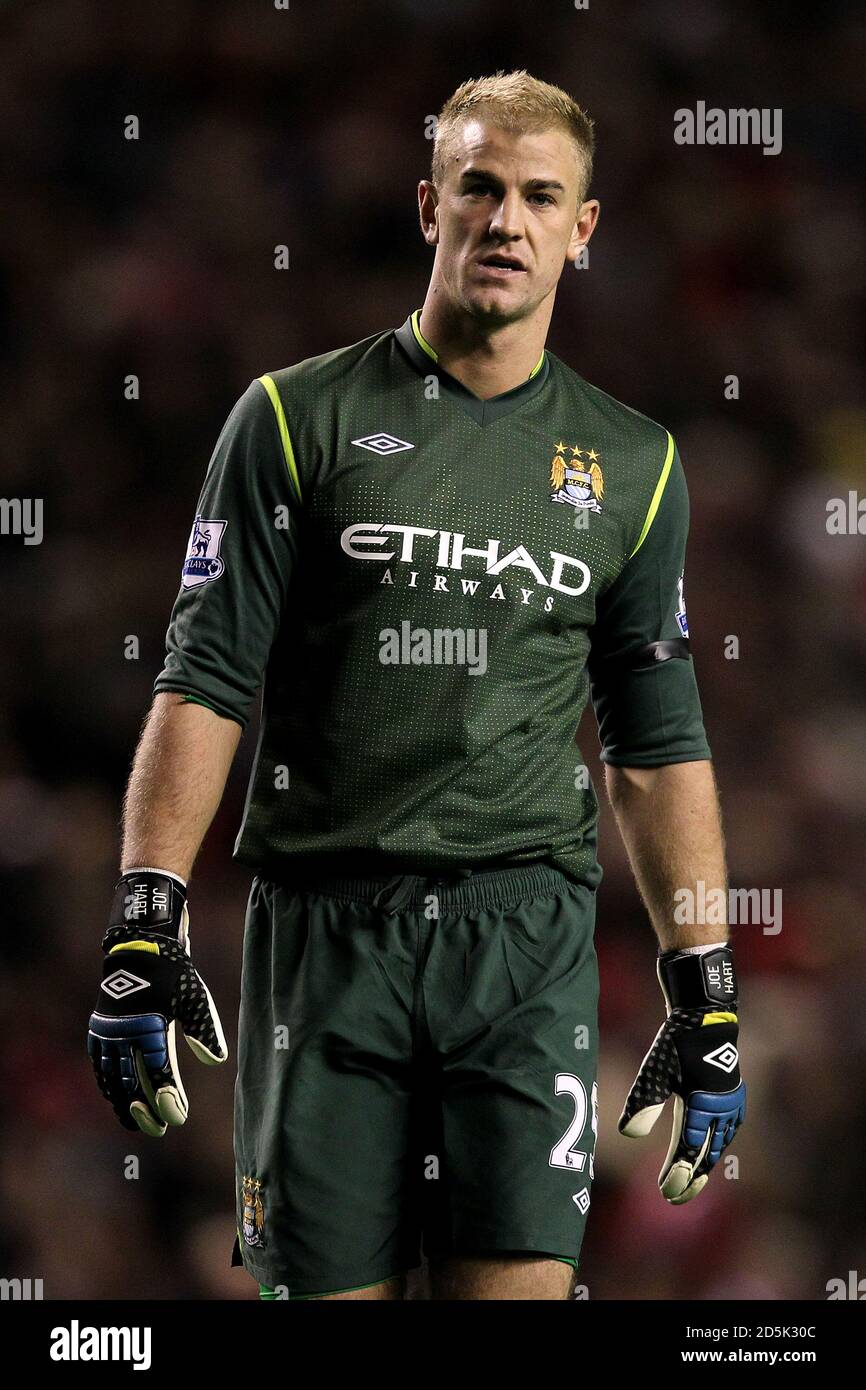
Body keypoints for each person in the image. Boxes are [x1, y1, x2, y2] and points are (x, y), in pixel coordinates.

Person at [87, 69, 745, 1302]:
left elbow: (654, 740)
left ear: (581, 231)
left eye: (540, 197)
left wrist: (701, 984)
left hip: (523, 940)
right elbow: (206, 675)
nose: (507, 221)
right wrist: (144, 914)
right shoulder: (292, 418)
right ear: (427, 205)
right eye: (480, 188)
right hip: (326, 931)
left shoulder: (636, 465)